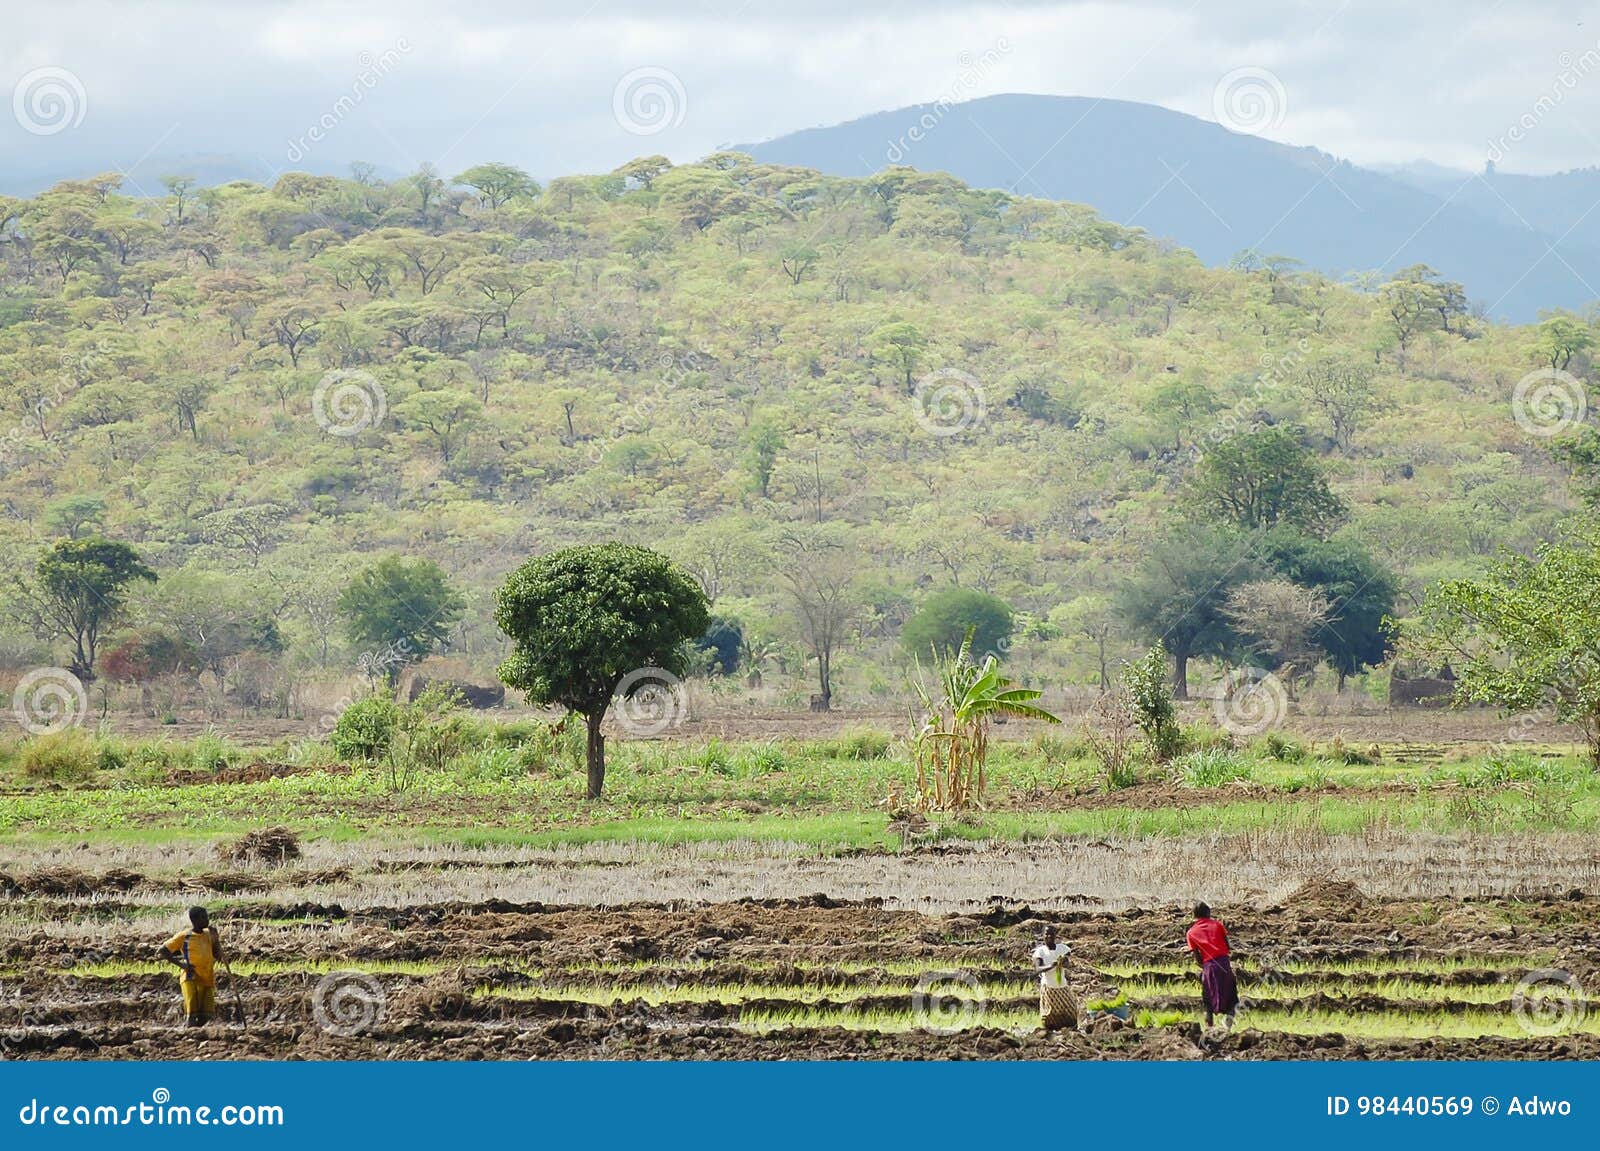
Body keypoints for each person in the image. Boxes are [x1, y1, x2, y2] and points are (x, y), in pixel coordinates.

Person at [160, 906, 223, 1027]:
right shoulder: (184, 936)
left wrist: (216, 939)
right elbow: (163, 950)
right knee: (193, 1014)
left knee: (207, 1015)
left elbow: (217, 954)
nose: (207, 920)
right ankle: (189, 1037)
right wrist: (182, 965)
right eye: (204, 917)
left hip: (208, 978)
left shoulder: (209, 934)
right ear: (195, 920)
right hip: (191, 978)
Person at [1186, 902, 1237, 1030]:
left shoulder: (1191, 933)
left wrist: (1205, 966)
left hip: (1209, 967)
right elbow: (1227, 946)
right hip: (1224, 964)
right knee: (1232, 999)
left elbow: (1197, 958)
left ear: (1194, 915)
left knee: (1207, 1001)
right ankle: (1227, 1028)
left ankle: (1210, 1029)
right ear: (1208, 913)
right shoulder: (1217, 925)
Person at [1032, 924, 1076, 1031]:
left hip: (1062, 986)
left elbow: (1069, 964)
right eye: (1046, 934)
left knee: (1071, 1013)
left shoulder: (1062, 948)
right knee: (1049, 1016)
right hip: (1048, 988)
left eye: (1051, 934)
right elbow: (1038, 969)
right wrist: (1052, 966)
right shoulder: (1040, 952)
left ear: (1055, 936)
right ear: (1042, 936)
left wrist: (1063, 963)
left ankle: (1069, 1033)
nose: (1049, 936)